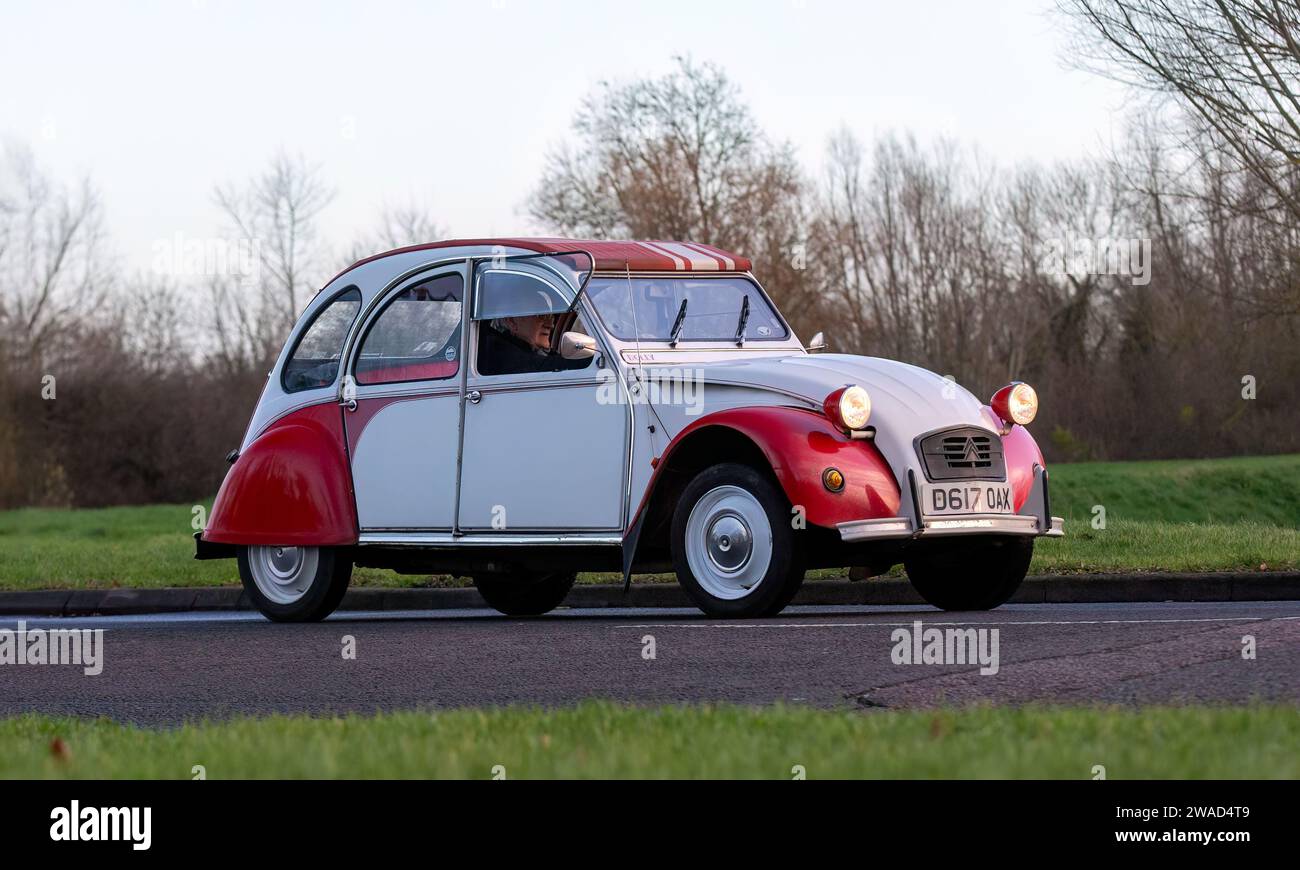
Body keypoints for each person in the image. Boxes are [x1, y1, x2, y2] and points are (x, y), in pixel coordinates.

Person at [478, 313, 590, 376]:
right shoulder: (501, 353)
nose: (550, 325)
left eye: (552, 317)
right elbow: (538, 366)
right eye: (542, 316)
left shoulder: (529, 350)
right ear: (511, 321)